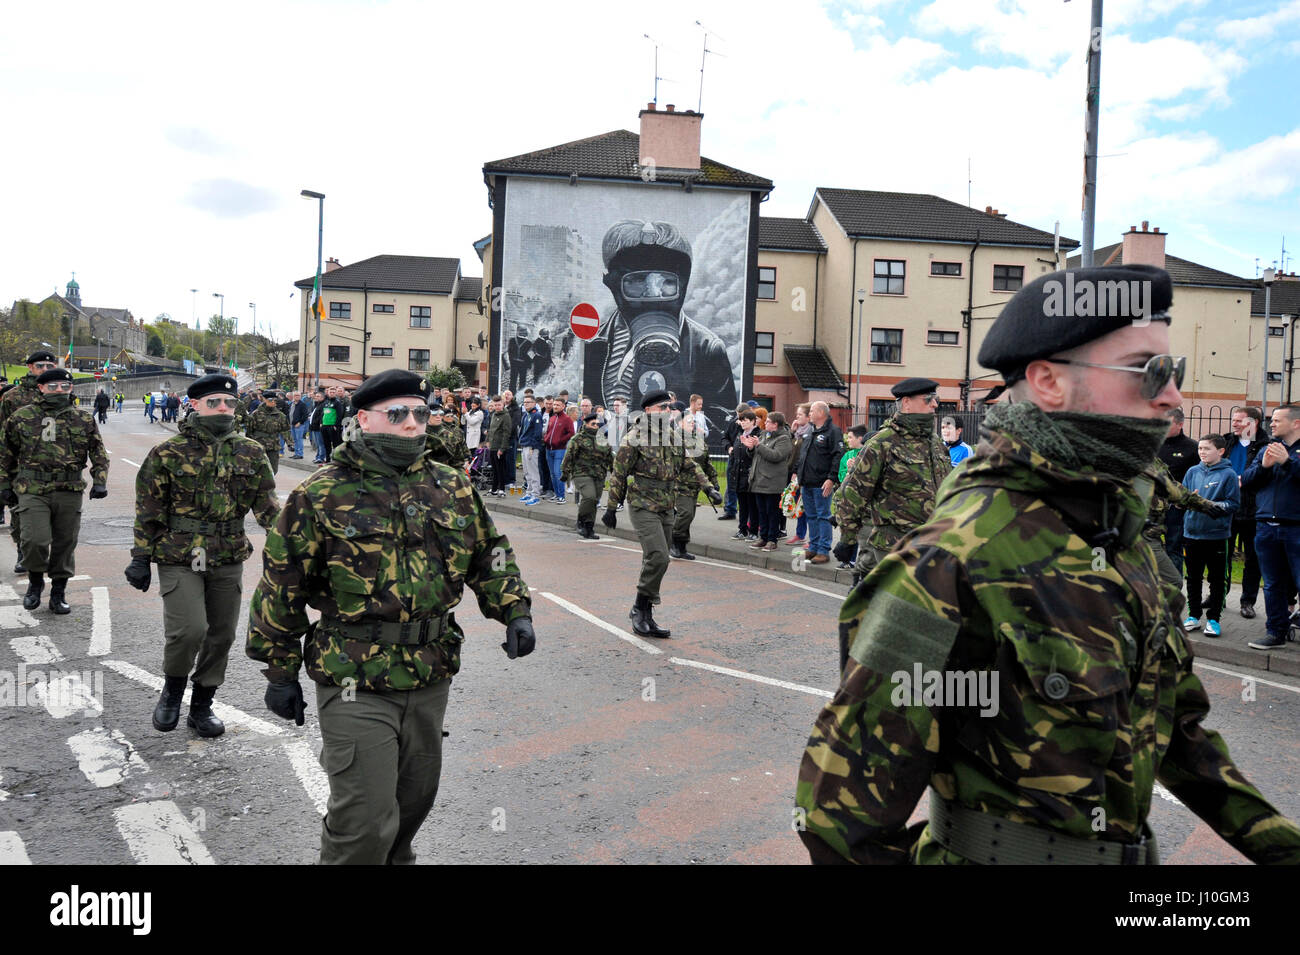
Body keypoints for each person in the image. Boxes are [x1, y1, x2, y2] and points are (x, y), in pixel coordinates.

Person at [797, 263, 1300, 865]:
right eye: (1150, 371)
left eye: (1175, 372)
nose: (1174, 396)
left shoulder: (1126, 541)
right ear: (1048, 382)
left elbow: (1178, 735)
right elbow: (840, 823)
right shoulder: (953, 558)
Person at [246, 369, 535, 865]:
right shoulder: (321, 493)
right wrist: (279, 671)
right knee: (362, 824)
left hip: (428, 671)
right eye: (397, 413)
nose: (411, 424)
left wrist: (515, 610)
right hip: (354, 676)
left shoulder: (450, 485)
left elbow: (490, 553)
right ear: (363, 419)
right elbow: (281, 583)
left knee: (410, 808)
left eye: (420, 413)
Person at [124, 374, 279, 736]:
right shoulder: (167, 453)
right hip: (180, 553)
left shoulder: (251, 452)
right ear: (195, 405)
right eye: (214, 403)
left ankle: (202, 705)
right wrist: (140, 556)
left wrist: (297, 548)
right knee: (189, 630)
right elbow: (148, 510)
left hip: (227, 555)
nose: (223, 409)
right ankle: (172, 691)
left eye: (229, 403)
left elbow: (269, 509)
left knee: (222, 635)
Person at [602, 390, 722, 637]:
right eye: (663, 408)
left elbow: (690, 463)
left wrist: (708, 488)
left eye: (669, 408)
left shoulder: (673, 435)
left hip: (667, 504)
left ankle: (645, 611)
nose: (668, 411)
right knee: (659, 557)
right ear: (648, 411)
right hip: (643, 504)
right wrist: (612, 508)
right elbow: (619, 475)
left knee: (657, 558)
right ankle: (640, 608)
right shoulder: (634, 438)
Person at [0, 368, 108, 614]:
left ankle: (58, 591)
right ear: (41, 388)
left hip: (68, 489)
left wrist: (100, 480)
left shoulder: (83, 419)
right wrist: (4, 485)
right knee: (34, 540)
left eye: (64, 386)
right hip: (32, 488)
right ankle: (35, 583)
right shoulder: (21, 417)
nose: (59, 390)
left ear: (71, 388)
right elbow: (5, 454)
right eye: (53, 386)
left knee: (65, 543)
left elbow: (99, 453)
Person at [833, 379, 951, 585]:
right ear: (906, 403)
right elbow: (853, 493)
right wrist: (848, 538)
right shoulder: (882, 443)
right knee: (902, 606)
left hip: (932, 541)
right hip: (895, 544)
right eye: (929, 399)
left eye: (936, 399)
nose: (935, 405)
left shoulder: (936, 444)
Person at [1242, 403, 1300, 651]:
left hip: (1296, 527)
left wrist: (1288, 462)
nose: (1271, 424)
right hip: (1266, 526)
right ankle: (1275, 631)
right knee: (1273, 583)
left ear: (1295, 423)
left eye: (1277, 420)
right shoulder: (1266, 449)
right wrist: (1265, 466)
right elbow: (1248, 481)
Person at [0, 350, 59, 573]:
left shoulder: (59, 394)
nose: (45, 369)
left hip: (53, 466)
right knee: (19, 512)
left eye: (49, 366)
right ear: (30, 367)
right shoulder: (12, 397)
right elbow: (3, 434)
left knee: (53, 515)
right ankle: (23, 552)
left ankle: (43, 553)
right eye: (40, 366)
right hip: (21, 466)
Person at [1179, 434, 1240, 637]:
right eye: (1200, 449)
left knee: (1216, 579)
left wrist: (1212, 506)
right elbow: (1183, 498)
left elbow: (1233, 504)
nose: (1202, 452)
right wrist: (1185, 501)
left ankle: (1214, 619)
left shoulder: (1229, 474)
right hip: (1192, 534)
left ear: (1221, 451)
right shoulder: (1192, 471)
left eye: (1206, 449)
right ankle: (1193, 616)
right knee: (1193, 577)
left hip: (1216, 536)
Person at [1223, 407, 1269, 618]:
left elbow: (1267, 475)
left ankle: (1248, 601)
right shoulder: (1226, 442)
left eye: (1240, 420)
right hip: (1227, 508)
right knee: (1221, 555)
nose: (1234, 424)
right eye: (1234, 420)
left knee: (1253, 558)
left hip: (1254, 510)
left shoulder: (1266, 446)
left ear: (1254, 422)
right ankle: (1218, 596)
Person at [793, 400, 843, 565]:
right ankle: (813, 547)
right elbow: (803, 456)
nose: (810, 414)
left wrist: (831, 478)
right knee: (811, 516)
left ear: (822, 413)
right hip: (807, 482)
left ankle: (823, 550)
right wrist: (799, 476)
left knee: (823, 516)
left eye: (813, 411)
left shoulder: (833, 432)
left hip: (822, 483)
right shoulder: (811, 431)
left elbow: (838, 456)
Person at [670, 410, 718, 559]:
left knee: (689, 516)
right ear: (680, 423)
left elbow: (707, 462)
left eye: (693, 421)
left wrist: (714, 483)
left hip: (696, 485)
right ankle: (673, 542)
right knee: (685, 514)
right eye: (689, 421)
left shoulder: (698, 439)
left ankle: (682, 547)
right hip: (680, 484)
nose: (693, 423)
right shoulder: (674, 439)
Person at [1158, 408, 1199, 576]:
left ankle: (1174, 589)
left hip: (1175, 508)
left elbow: (1198, 475)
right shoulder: (1153, 444)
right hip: (1150, 505)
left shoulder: (1192, 448)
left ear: (1180, 424)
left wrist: (1188, 499)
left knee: (1173, 547)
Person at [562, 411, 613, 539]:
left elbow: (610, 458)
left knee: (594, 500)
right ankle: (581, 521)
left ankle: (589, 528)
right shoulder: (578, 439)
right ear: (586, 424)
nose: (596, 426)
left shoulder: (604, 440)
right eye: (593, 423)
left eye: (598, 424)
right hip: (582, 473)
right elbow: (569, 457)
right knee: (589, 497)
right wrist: (565, 472)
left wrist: (615, 471)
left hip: (599, 475)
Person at [746, 411, 793, 552]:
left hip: (773, 482)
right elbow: (755, 455)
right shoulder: (763, 435)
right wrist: (751, 448)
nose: (764, 423)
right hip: (759, 480)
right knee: (761, 511)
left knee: (772, 512)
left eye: (767, 422)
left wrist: (758, 446)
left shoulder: (784, 439)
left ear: (775, 424)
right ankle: (763, 537)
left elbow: (776, 456)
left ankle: (772, 539)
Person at [245, 390, 293, 475]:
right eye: (271, 400)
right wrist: (249, 444)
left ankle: (269, 486)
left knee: (273, 469)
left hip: (273, 445)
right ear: (264, 400)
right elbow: (249, 429)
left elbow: (285, 429)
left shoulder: (280, 415)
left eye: (275, 400)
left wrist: (290, 443)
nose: (274, 402)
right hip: (259, 445)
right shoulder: (256, 414)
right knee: (256, 467)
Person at [729, 410, 759, 542]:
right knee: (742, 505)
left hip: (751, 476)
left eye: (745, 420)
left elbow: (755, 455)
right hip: (739, 475)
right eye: (741, 420)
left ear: (753, 421)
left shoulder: (757, 435)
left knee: (752, 505)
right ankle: (742, 530)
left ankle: (753, 531)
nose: (742, 423)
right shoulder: (740, 434)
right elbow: (736, 454)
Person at [542, 393, 575, 504]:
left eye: (558, 405)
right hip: (548, 449)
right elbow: (548, 432)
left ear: (563, 406)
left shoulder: (567, 419)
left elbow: (571, 433)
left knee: (557, 473)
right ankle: (557, 495)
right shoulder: (552, 418)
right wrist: (546, 439)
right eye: (554, 404)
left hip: (560, 450)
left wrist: (560, 440)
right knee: (552, 474)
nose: (555, 406)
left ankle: (562, 496)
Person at [517, 394, 544, 504]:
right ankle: (529, 492)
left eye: (528, 402)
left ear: (534, 403)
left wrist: (533, 446)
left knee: (533, 471)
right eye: (525, 402)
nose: (526, 404)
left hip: (531, 447)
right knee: (527, 472)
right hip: (524, 445)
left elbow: (537, 433)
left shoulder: (536, 415)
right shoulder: (525, 415)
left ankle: (535, 494)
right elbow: (522, 431)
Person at [424, 405, 469, 469]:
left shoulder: (450, 435)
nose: (438, 416)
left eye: (441, 414)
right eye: (434, 414)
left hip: (446, 473)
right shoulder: (421, 435)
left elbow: (458, 461)